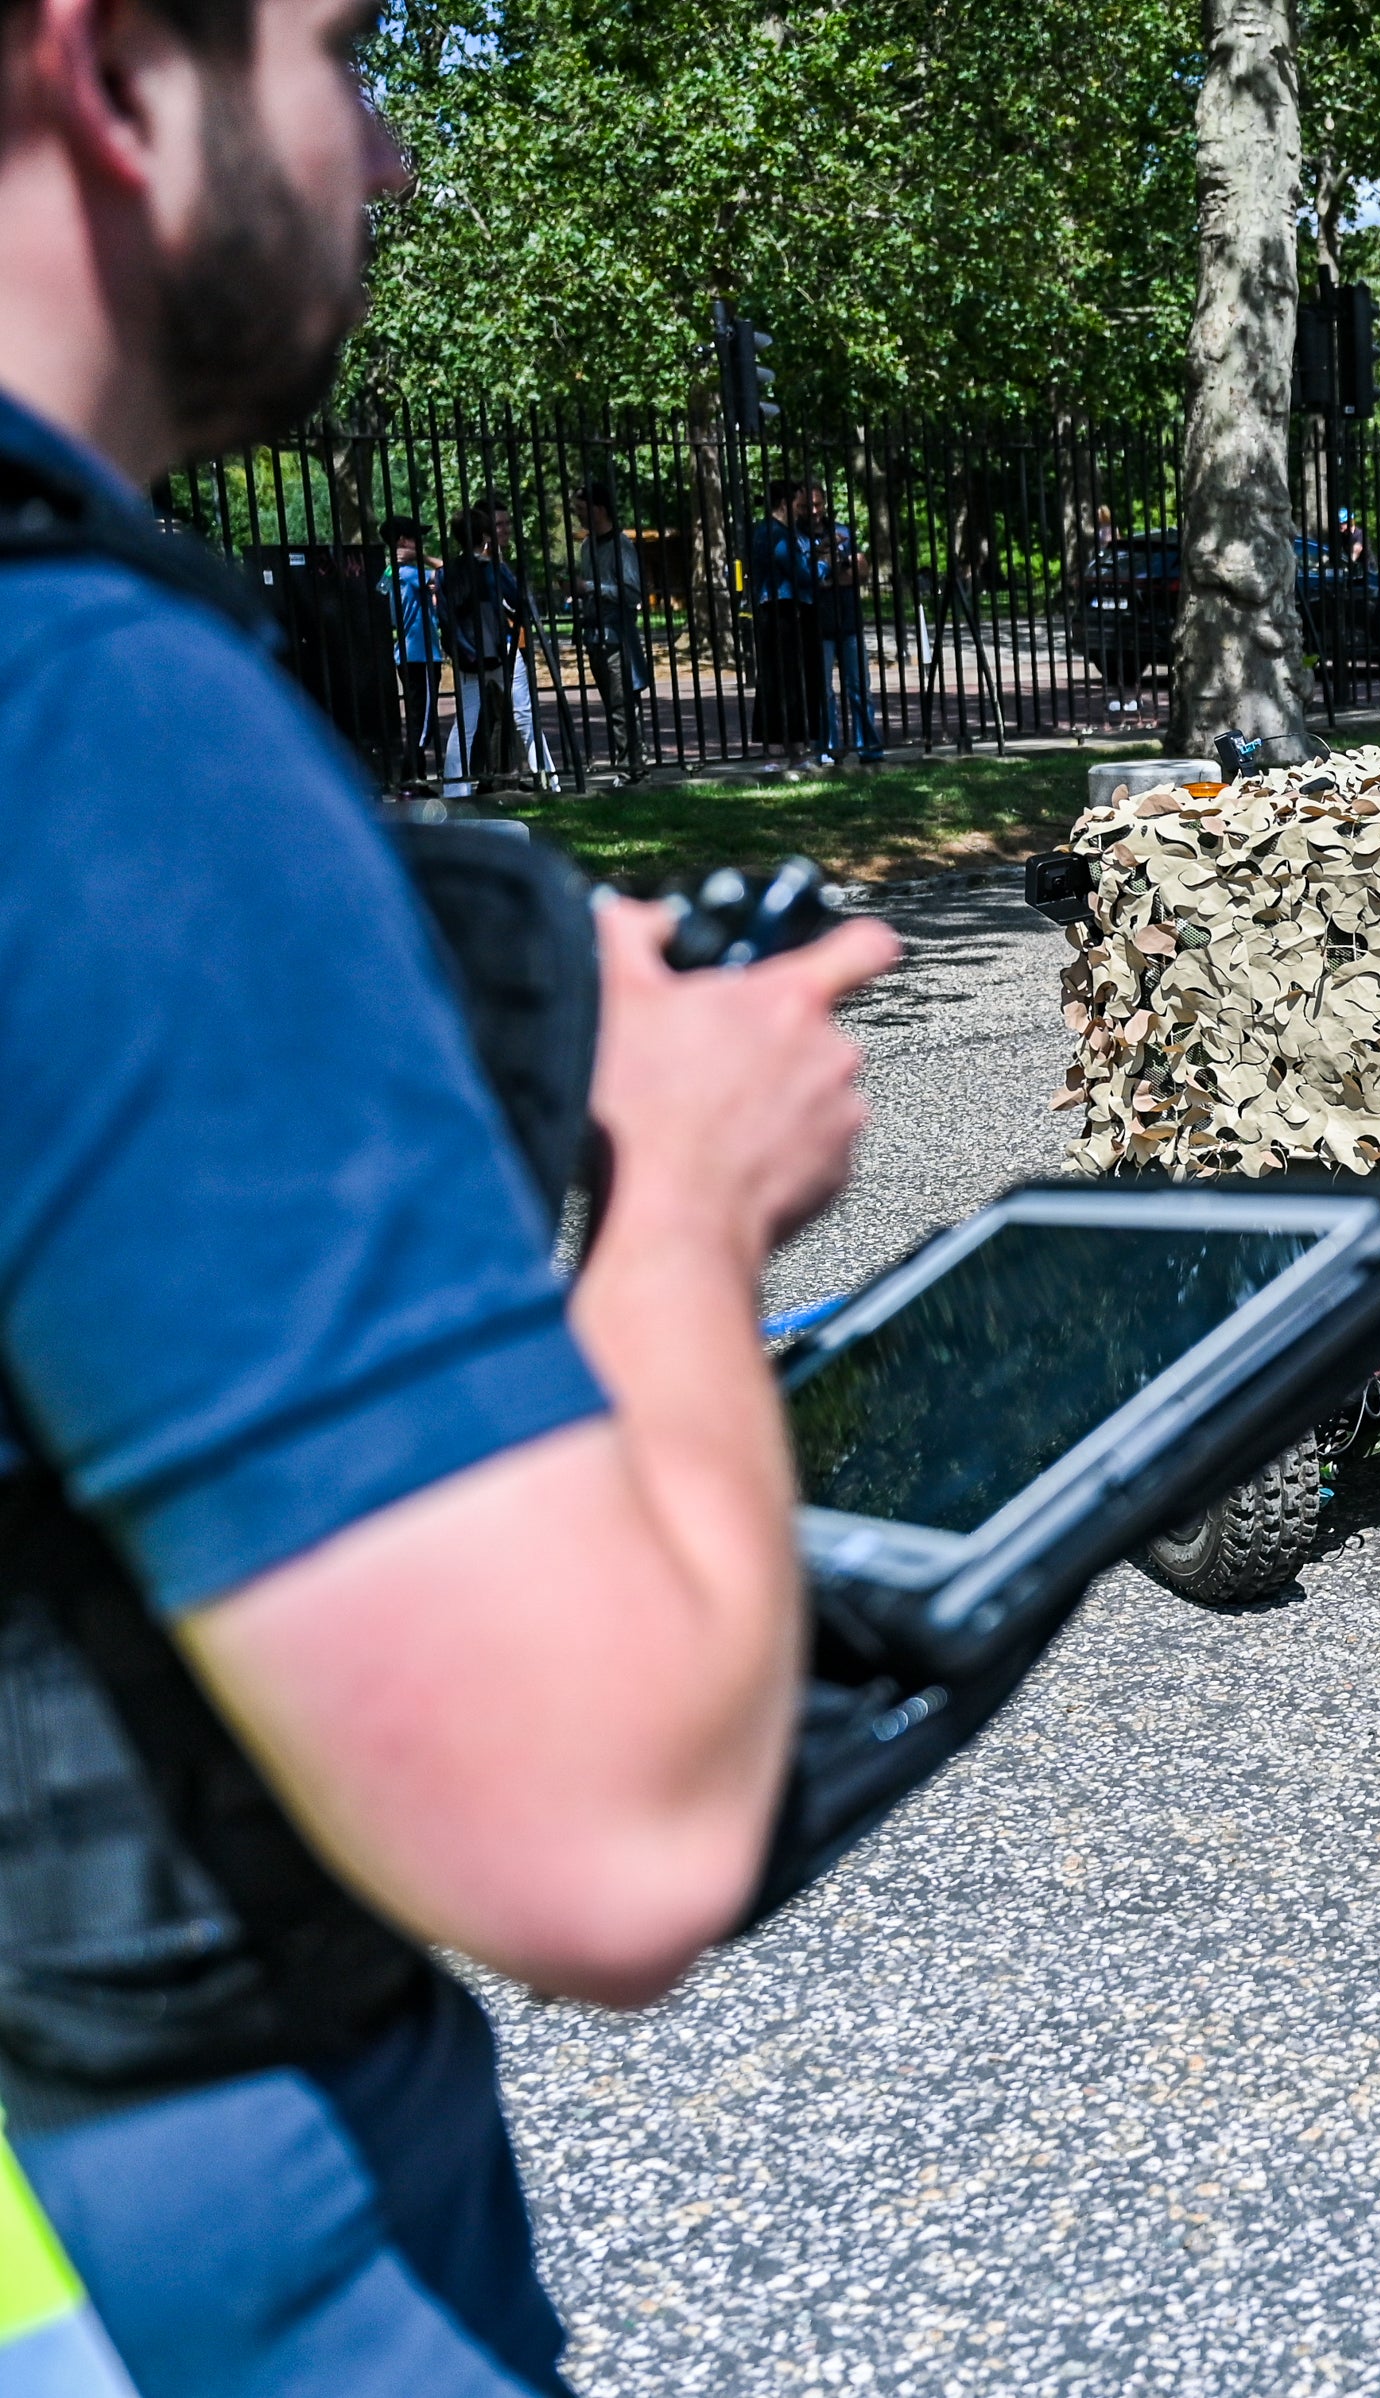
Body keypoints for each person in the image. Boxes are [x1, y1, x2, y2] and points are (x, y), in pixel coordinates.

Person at [0, 0, 902, 2387]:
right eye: (339, 52)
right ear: (109, 78)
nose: (386, 159)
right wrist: (683, 1192)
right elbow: (600, 1835)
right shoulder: (87, 725)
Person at [437, 496, 534, 796]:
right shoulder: (491, 568)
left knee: (465, 724)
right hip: (500, 650)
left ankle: (455, 788)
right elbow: (519, 600)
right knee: (525, 715)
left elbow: (444, 616)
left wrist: (461, 649)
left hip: (468, 656)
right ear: (484, 537)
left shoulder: (446, 572)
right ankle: (550, 776)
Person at [570, 486, 649, 781]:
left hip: (617, 636)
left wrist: (589, 588)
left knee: (623, 703)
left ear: (599, 509)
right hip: (595, 636)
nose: (577, 515)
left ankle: (633, 767)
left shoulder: (621, 545)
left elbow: (632, 592)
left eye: (581, 509)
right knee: (612, 703)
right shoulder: (587, 546)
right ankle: (630, 762)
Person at [745, 479, 819, 771]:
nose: (802, 510)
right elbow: (800, 571)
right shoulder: (775, 534)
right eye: (799, 504)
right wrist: (823, 567)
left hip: (777, 607)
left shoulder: (773, 531)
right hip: (781, 609)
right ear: (785, 504)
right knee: (784, 678)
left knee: (781, 678)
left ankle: (782, 748)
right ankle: (788, 750)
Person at [804, 482, 877, 765]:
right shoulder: (798, 537)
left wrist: (829, 572)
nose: (814, 511)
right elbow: (809, 578)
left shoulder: (843, 531)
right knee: (824, 692)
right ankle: (827, 749)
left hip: (848, 620)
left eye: (818, 504)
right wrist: (833, 569)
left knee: (860, 688)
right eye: (808, 505)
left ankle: (869, 747)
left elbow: (860, 571)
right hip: (818, 624)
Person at [380, 513, 443, 780]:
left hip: (405, 654)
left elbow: (381, 590)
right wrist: (426, 559)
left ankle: (413, 777)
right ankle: (411, 777)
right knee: (424, 721)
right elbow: (452, 571)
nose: (421, 543)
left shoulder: (391, 573)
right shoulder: (412, 573)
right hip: (422, 654)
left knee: (418, 718)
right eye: (417, 539)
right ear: (404, 541)